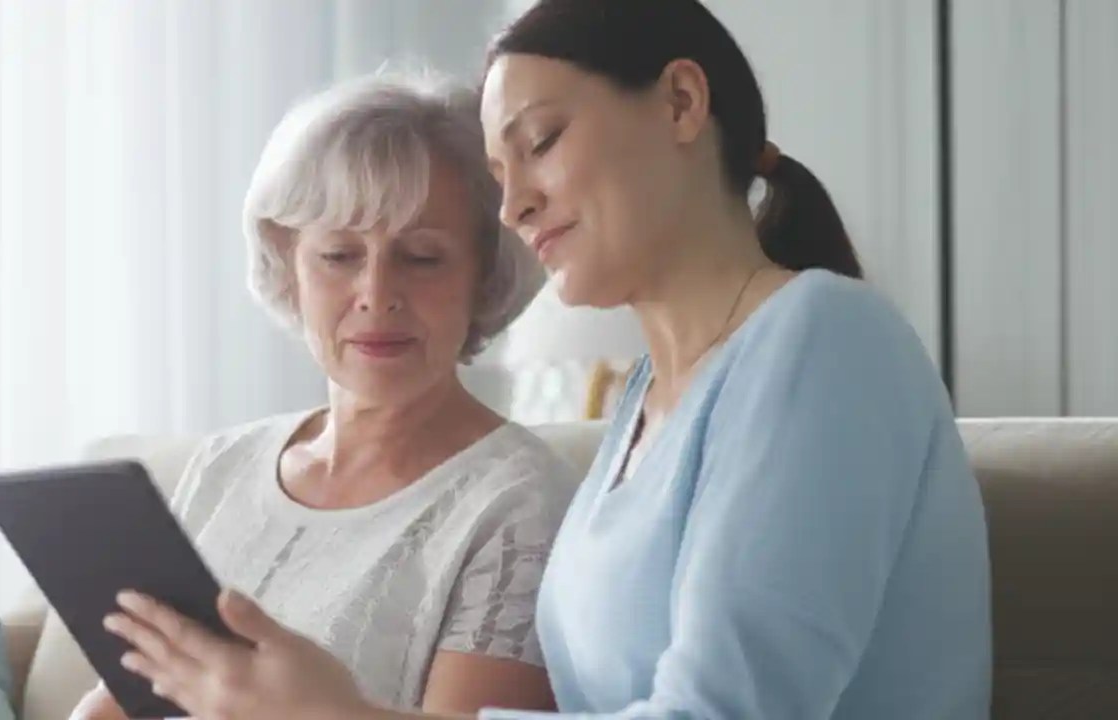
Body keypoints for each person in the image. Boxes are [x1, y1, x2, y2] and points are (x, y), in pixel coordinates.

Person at [101, 1, 993, 718]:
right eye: (500, 174)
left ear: (682, 102)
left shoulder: (828, 340)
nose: (514, 207)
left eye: (540, 143)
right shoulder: (645, 403)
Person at [69, 72, 577, 719]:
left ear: (485, 274)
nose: (376, 293)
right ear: (290, 268)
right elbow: (124, 699)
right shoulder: (223, 467)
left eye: (421, 257)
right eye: (338, 255)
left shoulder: (523, 505)